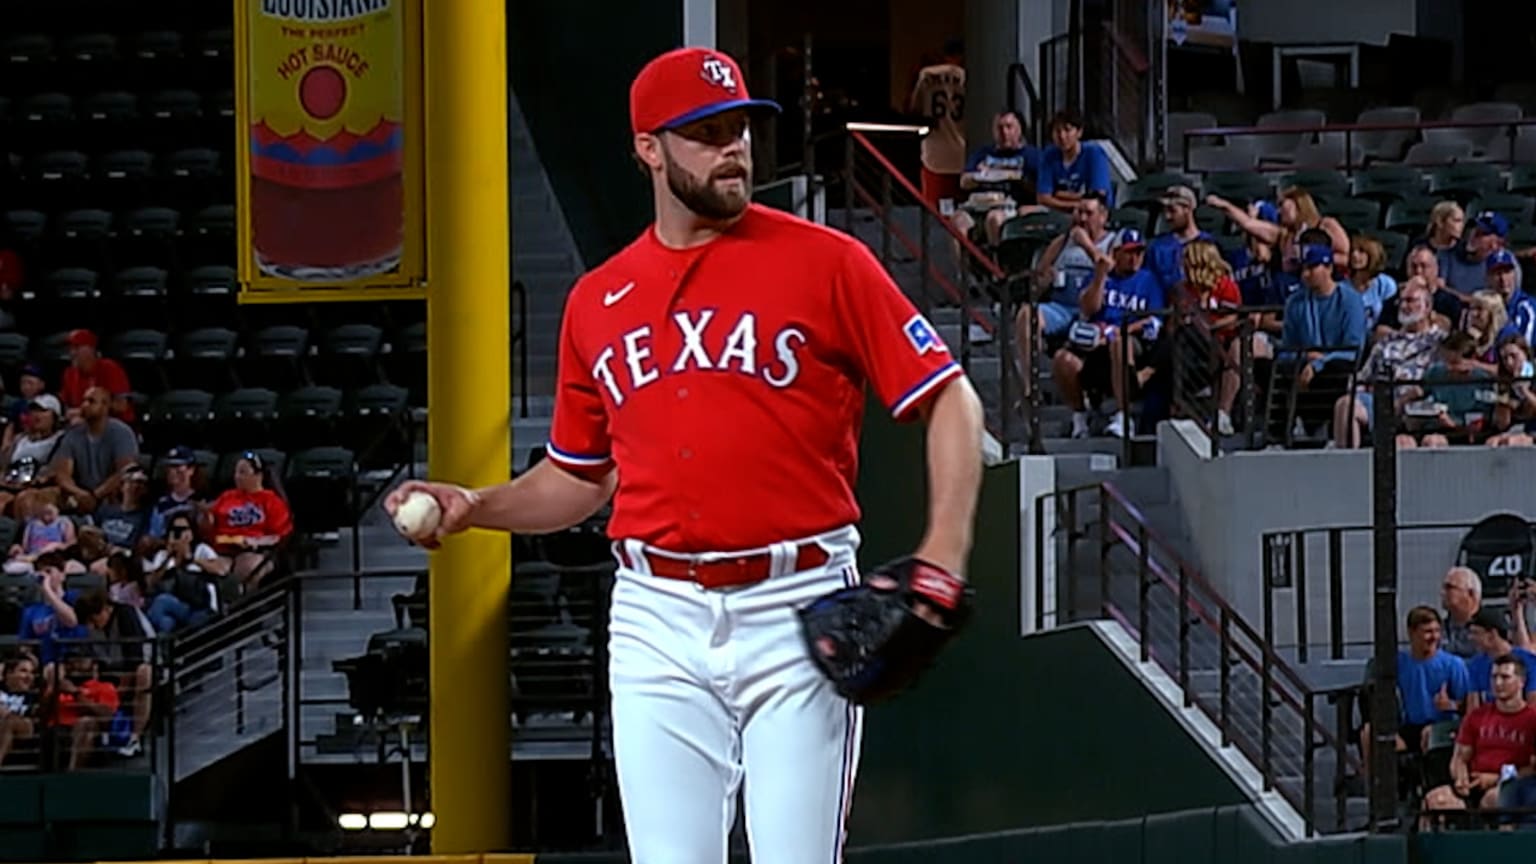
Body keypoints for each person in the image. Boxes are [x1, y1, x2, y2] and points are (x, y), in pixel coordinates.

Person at [385, 47, 984, 864]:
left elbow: (951, 397)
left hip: (798, 600)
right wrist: (475, 507)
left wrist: (941, 556)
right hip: (655, 615)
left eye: (738, 126)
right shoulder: (598, 301)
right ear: (648, 148)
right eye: (704, 132)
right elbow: (581, 478)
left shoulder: (827, 261)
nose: (732, 146)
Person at [207, 451, 292, 594]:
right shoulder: (227, 497)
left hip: (255, 551)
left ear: (258, 475)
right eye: (236, 472)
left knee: (246, 567)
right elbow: (211, 528)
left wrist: (256, 541)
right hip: (223, 548)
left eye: (243, 472)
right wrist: (205, 517)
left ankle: (244, 609)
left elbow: (278, 536)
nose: (237, 477)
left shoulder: (272, 501)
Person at [908, 40, 966, 209]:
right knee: (961, 212)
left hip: (935, 153)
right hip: (962, 151)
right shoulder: (968, 76)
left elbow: (914, 108)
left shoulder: (926, 75)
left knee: (935, 212)